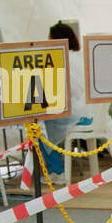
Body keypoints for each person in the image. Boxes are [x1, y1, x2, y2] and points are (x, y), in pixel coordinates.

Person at [39, 21, 84, 185]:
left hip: (76, 113)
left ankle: (56, 171)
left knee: (40, 124)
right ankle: (55, 167)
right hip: (89, 112)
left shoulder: (60, 60)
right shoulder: (78, 56)